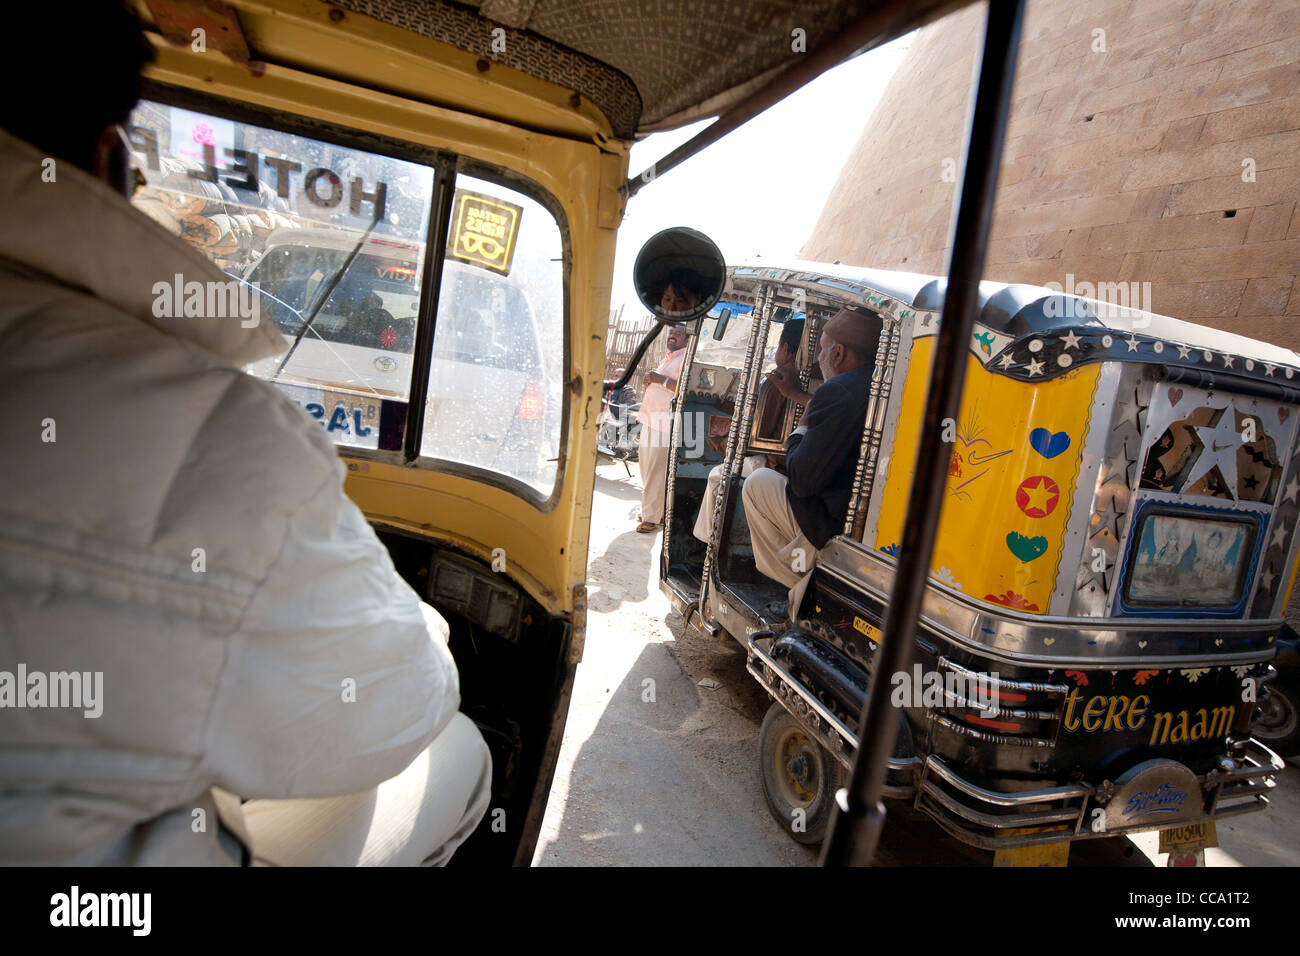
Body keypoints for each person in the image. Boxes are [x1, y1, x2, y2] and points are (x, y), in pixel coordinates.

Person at [0, 4, 489, 865]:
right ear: (109, 158)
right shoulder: (215, 435)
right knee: (457, 750)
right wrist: (429, 629)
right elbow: (394, 707)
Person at [741, 307, 882, 600]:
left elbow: (802, 480)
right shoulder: (875, 384)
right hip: (857, 515)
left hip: (829, 520)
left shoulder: (836, 391)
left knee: (757, 483)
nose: (818, 359)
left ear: (838, 353)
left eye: (820, 350)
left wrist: (800, 429)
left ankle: (799, 581)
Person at [692, 318, 821, 544]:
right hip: (797, 464)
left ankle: (707, 546)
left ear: (785, 348)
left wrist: (722, 445)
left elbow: (753, 439)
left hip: (773, 463)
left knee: (716, 475)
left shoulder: (777, 380)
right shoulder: (817, 382)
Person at [635, 271, 701, 533]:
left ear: (686, 337)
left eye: (677, 332)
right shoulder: (670, 355)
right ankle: (653, 512)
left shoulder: (686, 357)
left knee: (655, 471)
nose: (672, 335)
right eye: (671, 331)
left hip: (664, 423)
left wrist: (660, 380)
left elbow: (683, 388)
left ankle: (650, 518)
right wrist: (653, 380)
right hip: (650, 419)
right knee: (645, 468)